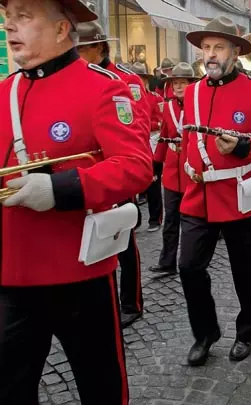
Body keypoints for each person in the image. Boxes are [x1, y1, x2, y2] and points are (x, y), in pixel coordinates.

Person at [0, 0, 153, 403]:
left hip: (79, 275)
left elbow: (136, 167)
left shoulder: (103, 88)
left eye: (24, 17)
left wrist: (60, 190)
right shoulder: (4, 92)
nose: (10, 27)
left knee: (101, 388)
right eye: (8, 17)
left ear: (62, 30)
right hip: (12, 275)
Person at [181, 17, 251, 366]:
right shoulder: (191, 92)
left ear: (235, 52)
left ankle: (246, 333)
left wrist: (244, 148)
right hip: (198, 199)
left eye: (219, 48)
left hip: (242, 199)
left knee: (247, 273)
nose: (210, 55)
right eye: (206, 48)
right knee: (188, 268)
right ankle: (206, 332)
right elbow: (188, 141)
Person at [76, 19, 151, 327]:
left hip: (117, 168)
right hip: (84, 177)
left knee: (124, 238)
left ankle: (131, 301)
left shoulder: (125, 81)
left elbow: (139, 124)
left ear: (100, 48)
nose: (79, 55)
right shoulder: (77, 79)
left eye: (85, 49)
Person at [148, 62, 199, 276]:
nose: (178, 87)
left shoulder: (198, 106)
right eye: (175, 83)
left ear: (191, 85)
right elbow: (164, 136)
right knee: (170, 220)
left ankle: (191, 261)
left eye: (183, 83)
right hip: (171, 172)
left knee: (191, 221)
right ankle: (167, 262)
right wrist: (155, 165)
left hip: (190, 171)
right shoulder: (167, 107)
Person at [131, 62, 164, 232]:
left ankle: (155, 219)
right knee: (131, 185)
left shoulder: (155, 98)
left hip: (151, 145)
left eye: (141, 79)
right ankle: (134, 220)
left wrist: (142, 125)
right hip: (133, 144)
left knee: (153, 184)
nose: (138, 82)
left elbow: (160, 122)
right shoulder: (126, 98)